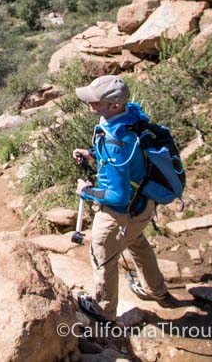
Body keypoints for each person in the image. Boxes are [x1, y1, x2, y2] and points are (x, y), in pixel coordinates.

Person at [71, 74, 177, 321]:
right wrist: (91, 154)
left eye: (95, 100)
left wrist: (86, 191)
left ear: (115, 105)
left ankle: (103, 309)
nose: (89, 103)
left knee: (102, 256)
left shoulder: (115, 141)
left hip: (121, 213)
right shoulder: (131, 118)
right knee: (137, 242)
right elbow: (130, 157)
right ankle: (156, 290)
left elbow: (116, 195)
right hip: (142, 203)